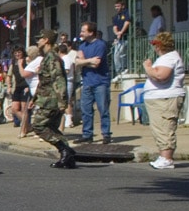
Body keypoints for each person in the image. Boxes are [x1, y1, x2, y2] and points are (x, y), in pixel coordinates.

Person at [29, 30, 76, 168]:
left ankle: (65, 150)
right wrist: (34, 99)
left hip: (51, 100)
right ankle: (67, 157)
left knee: (38, 126)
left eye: (40, 38)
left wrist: (62, 102)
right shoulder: (47, 57)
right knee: (51, 128)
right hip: (46, 98)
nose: (38, 41)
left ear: (46, 40)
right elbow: (44, 81)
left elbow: (59, 80)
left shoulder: (53, 58)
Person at [142, 31, 186, 170]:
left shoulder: (169, 58)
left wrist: (148, 67)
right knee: (160, 128)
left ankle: (167, 158)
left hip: (165, 98)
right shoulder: (167, 58)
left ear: (159, 45)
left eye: (155, 44)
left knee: (164, 127)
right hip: (160, 98)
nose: (154, 47)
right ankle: (163, 156)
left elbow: (160, 76)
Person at [73, 22, 112, 144]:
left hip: (100, 82)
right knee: (86, 110)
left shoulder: (100, 45)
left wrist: (83, 61)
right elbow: (77, 63)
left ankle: (106, 135)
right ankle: (87, 134)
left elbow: (96, 64)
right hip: (87, 82)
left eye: (83, 31)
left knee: (103, 109)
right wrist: (88, 61)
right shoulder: (82, 46)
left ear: (91, 32)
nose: (81, 33)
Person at [8, 45, 30, 134]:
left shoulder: (26, 61)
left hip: (25, 86)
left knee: (24, 109)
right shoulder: (13, 63)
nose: (17, 54)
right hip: (17, 87)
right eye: (15, 53)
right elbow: (9, 75)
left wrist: (29, 86)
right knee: (14, 109)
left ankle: (24, 130)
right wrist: (9, 86)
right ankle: (28, 126)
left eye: (19, 52)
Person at [111, 0, 131, 76]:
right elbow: (114, 27)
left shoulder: (126, 13)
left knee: (122, 54)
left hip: (125, 38)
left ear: (123, 6)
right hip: (118, 39)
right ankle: (119, 71)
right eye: (115, 6)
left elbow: (127, 23)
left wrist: (121, 32)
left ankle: (124, 69)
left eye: (118, 6)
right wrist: (117, 33)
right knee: (116, 55)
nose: (116, 8)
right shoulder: (116, 17)